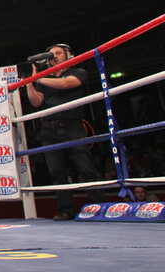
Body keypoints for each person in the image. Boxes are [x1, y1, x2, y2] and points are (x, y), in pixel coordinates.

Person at [26, 44, 105, 220]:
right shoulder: (44, 79)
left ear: (68, 55)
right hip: (49, 128)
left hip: (72, 127)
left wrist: (38, 78)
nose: (54, 57)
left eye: (58, 53)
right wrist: (29, 81)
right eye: (51, 55)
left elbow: (66, 83)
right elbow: (36, 102)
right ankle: (65, 210)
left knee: (85, 168)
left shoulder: (78, 72)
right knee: (57, 172)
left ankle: (98, 207)